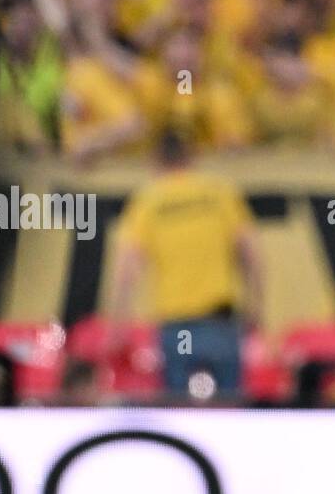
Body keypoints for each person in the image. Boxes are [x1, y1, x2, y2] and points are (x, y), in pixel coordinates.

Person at [110, 130, 264, 399]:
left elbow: (126, 270)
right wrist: (256, 307)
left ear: (155, 161)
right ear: (193, 157)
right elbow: (252, 256)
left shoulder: (148, 200)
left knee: (179, 414)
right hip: (221, 324)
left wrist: (118, 322)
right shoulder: (219, 193)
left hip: (177, 327)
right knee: (230, 417)